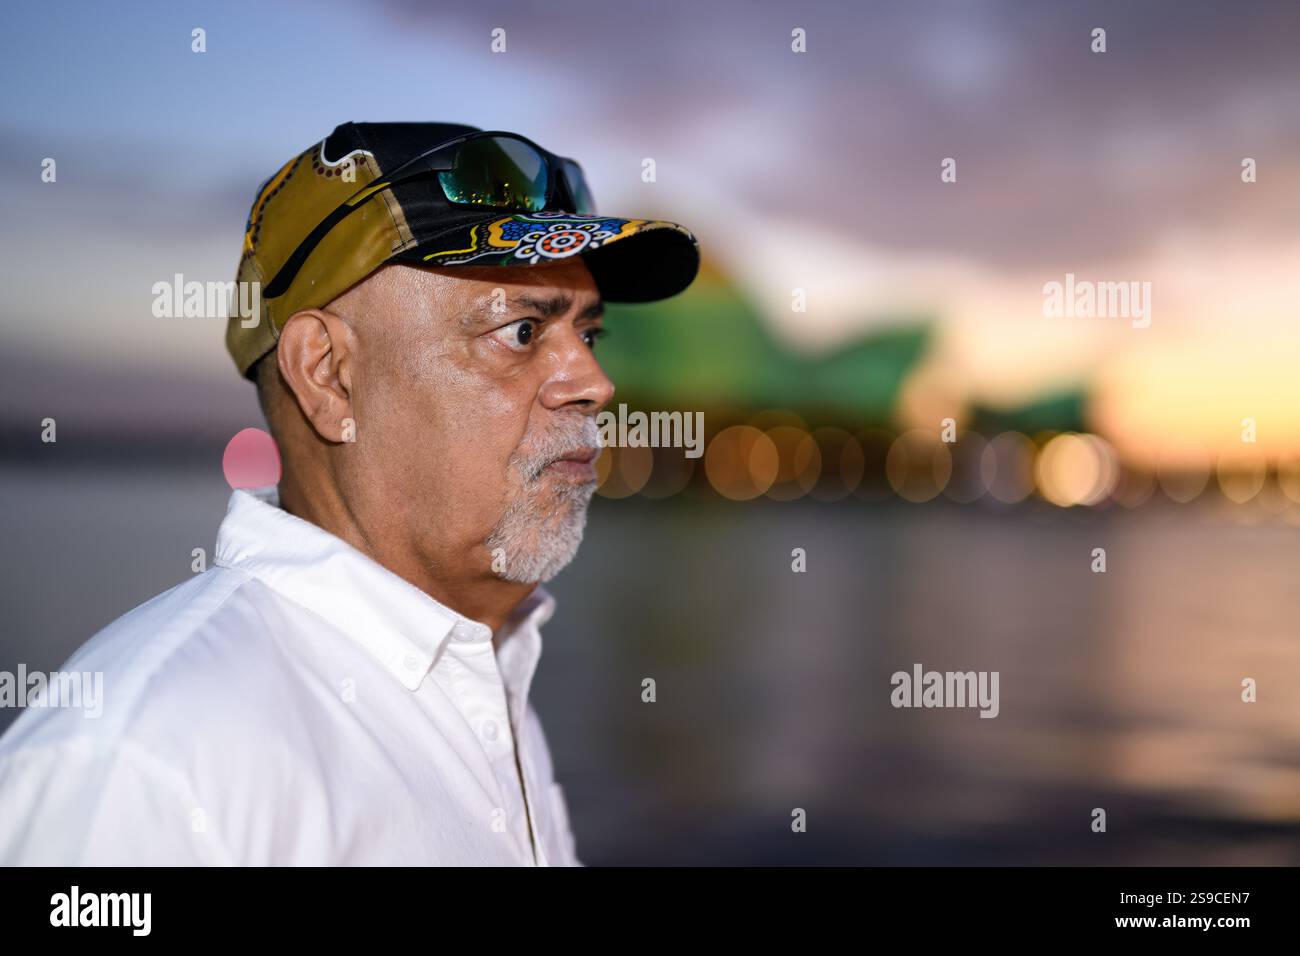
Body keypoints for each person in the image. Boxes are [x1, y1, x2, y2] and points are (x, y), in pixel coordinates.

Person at [0, 121, 699, 865]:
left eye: (588, 336)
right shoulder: (143, 768)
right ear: (328, 375)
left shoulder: (481, 676)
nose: (595, 384)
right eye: (523, 332)